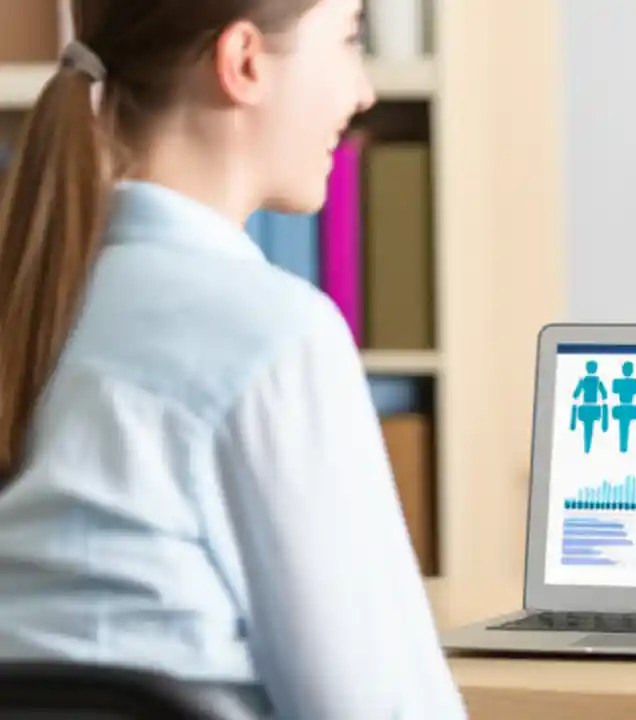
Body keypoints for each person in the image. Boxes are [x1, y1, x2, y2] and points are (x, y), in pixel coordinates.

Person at [0, 2, 465, 718]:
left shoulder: (35, 303)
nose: (363, 90)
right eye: (348, 39)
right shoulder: (273, 335)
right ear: (244, 61)